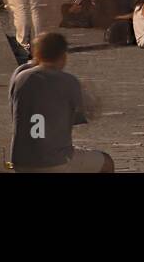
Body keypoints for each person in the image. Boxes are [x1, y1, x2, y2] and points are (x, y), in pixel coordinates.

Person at [9, 32, 113, 173]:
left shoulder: (20, 76)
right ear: (63, 56)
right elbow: (85, 115)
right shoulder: (68, 81)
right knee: (106, 162)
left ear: (36, 54)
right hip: (54, 161)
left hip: (20, 160)